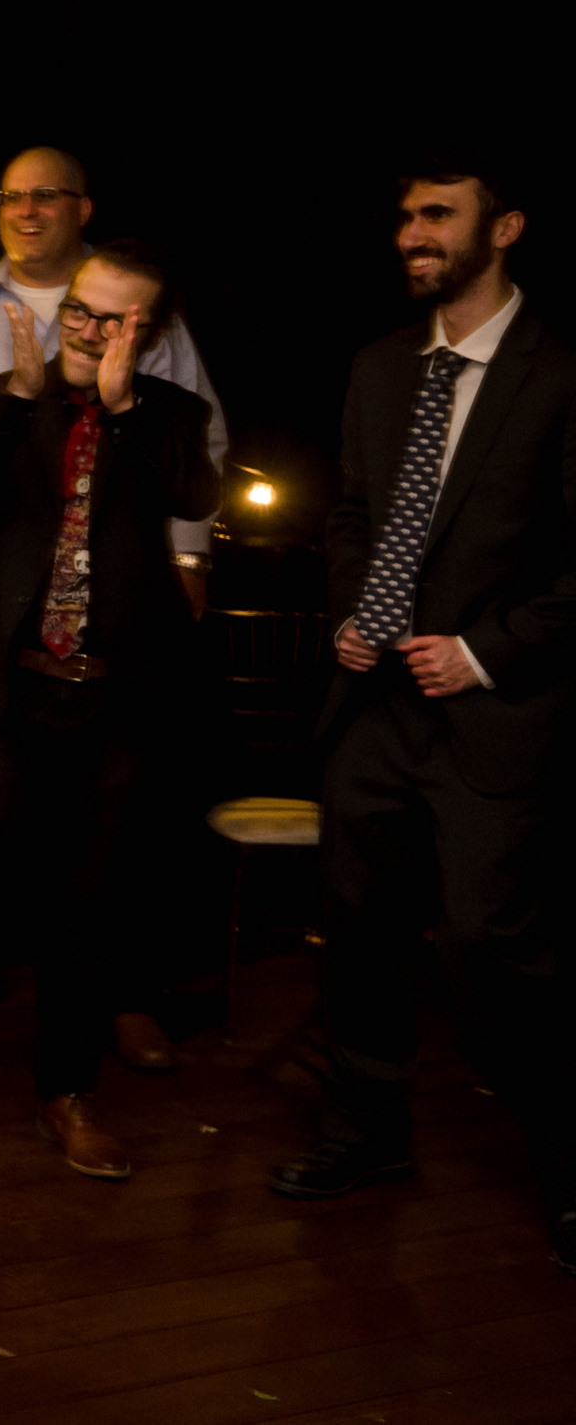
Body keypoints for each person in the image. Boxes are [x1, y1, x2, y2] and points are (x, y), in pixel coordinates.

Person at [271, 162, 576, 1279]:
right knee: (358, 929)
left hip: (498, 717)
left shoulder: (560, 374)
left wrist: (485, 652)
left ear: (505, 228)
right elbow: (352, 515)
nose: (412, 233)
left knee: (500, 949)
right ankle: (369, 1134)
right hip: (374, 709)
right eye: (404, 215)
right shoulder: (378, 367)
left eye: (436, 215)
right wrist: (357, 608)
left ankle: (567, 1165)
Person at [0, 144, 228, 1069]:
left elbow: (195, 496)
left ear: (147, 334)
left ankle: (66, 1090)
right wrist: (19, 397)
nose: (88, 329)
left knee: (93, 886)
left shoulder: (165, 413)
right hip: (4, 678)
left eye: (115, 322)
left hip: (114, 687)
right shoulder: (6, 391)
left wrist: (119, 409)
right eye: (81, 310)